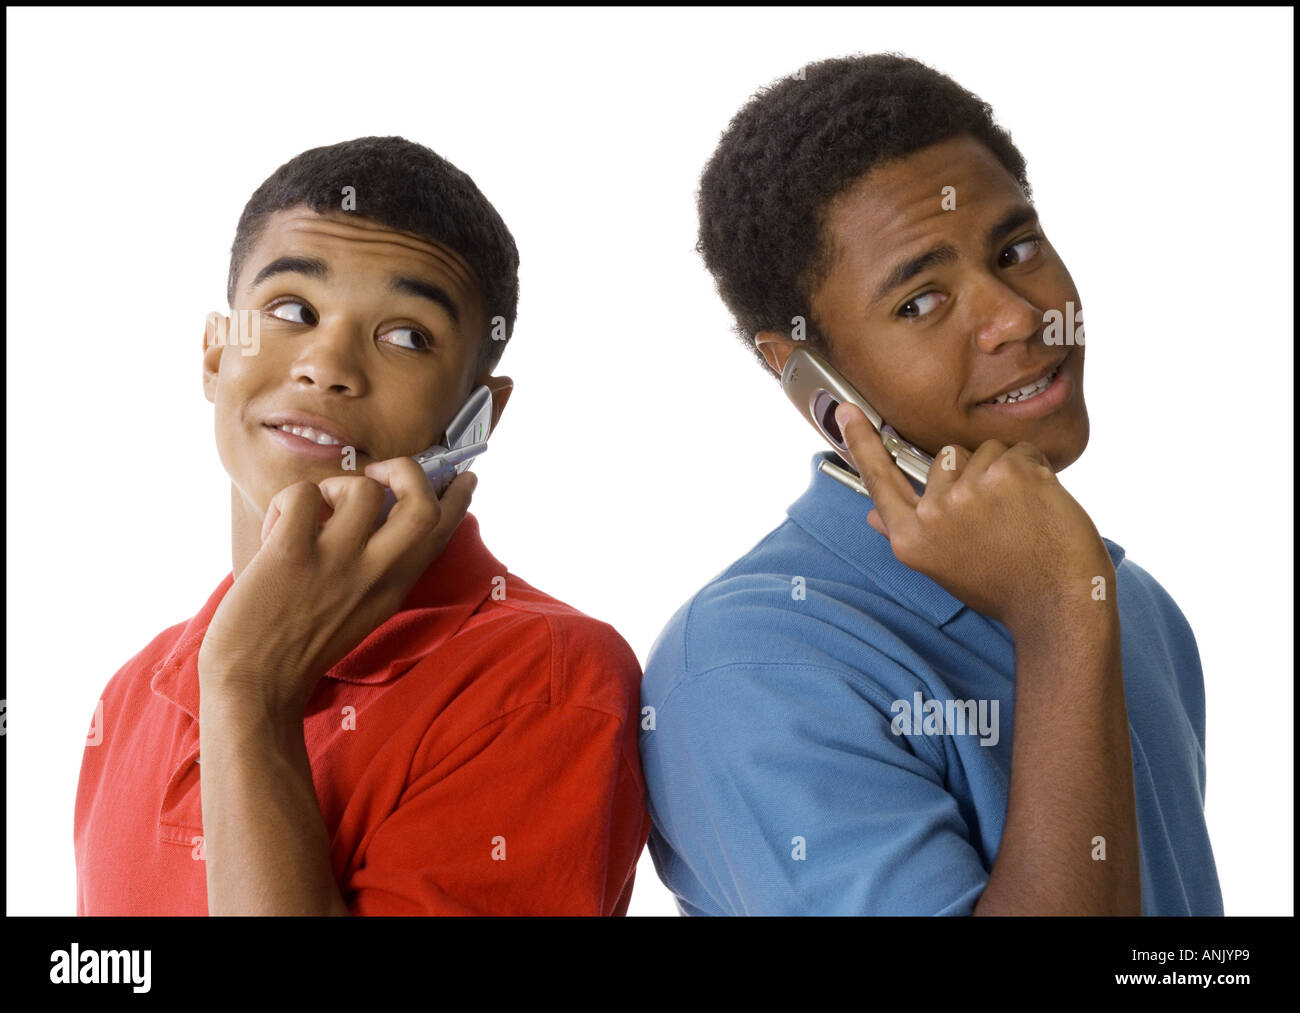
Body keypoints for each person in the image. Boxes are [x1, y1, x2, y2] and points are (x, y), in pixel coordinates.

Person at [640, 55, 1222, 915]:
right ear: (805, 375)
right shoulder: (746, 667)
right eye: (918, 302)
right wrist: (1061, 620)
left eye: (1016, 250)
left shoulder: (1126, 599)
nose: (1019, 317)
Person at [75, 136, 649, 915]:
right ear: (214, 355)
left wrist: (249, 692)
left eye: (407, 335)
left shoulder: (548, 680)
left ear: (479, 415)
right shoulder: (131, 693)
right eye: (292, 310)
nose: (328, 365)